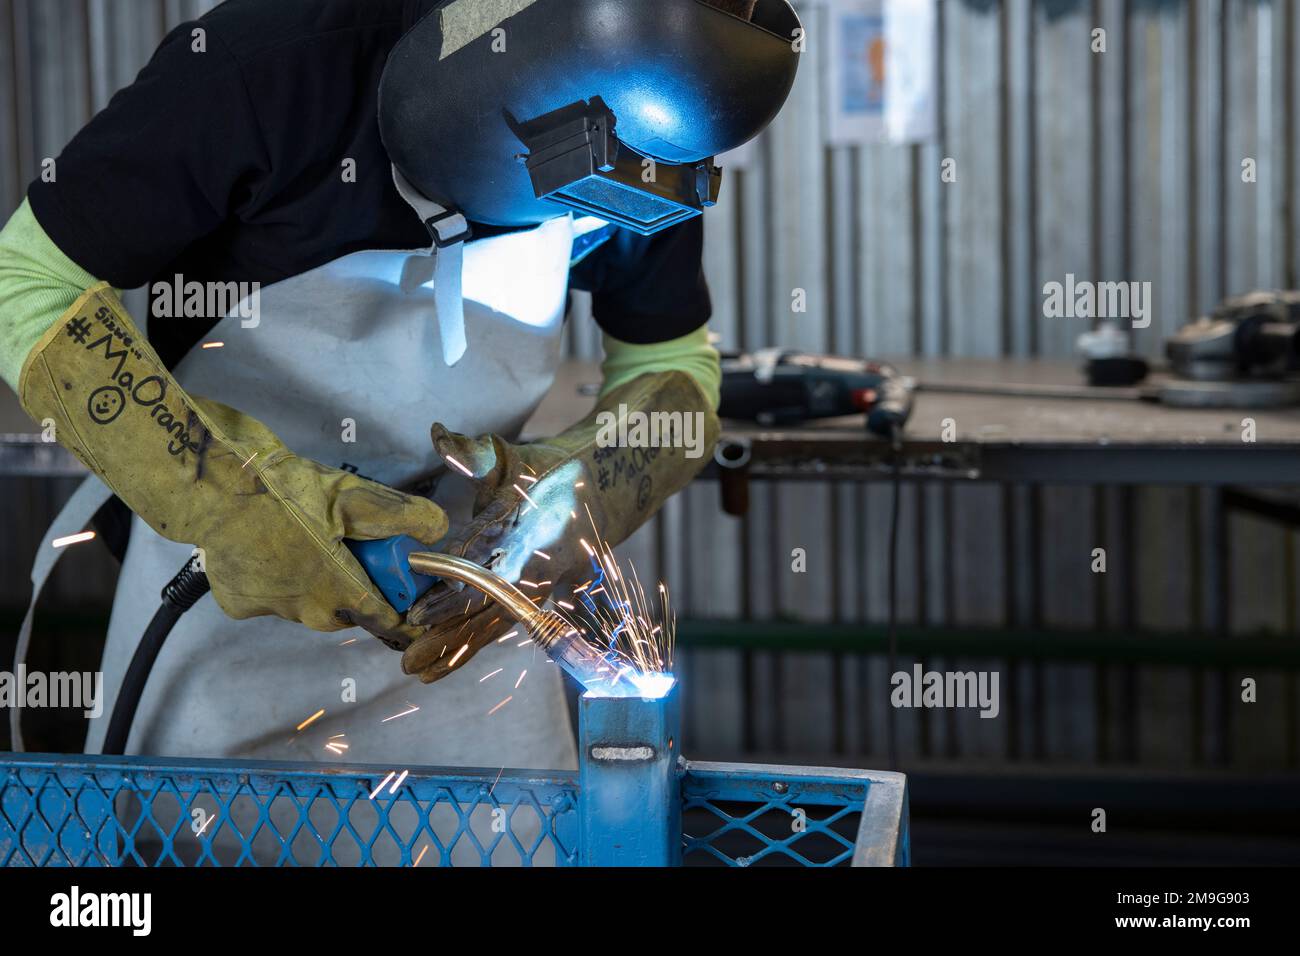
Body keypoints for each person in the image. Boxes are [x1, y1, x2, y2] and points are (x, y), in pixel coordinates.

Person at [1, 0, 797, 776]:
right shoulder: (265, 70)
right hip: (222, 598)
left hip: (466, 605)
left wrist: (577, 491)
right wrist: (230, 500)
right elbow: (22, 281)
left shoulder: (651, 134)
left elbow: (675, 365)